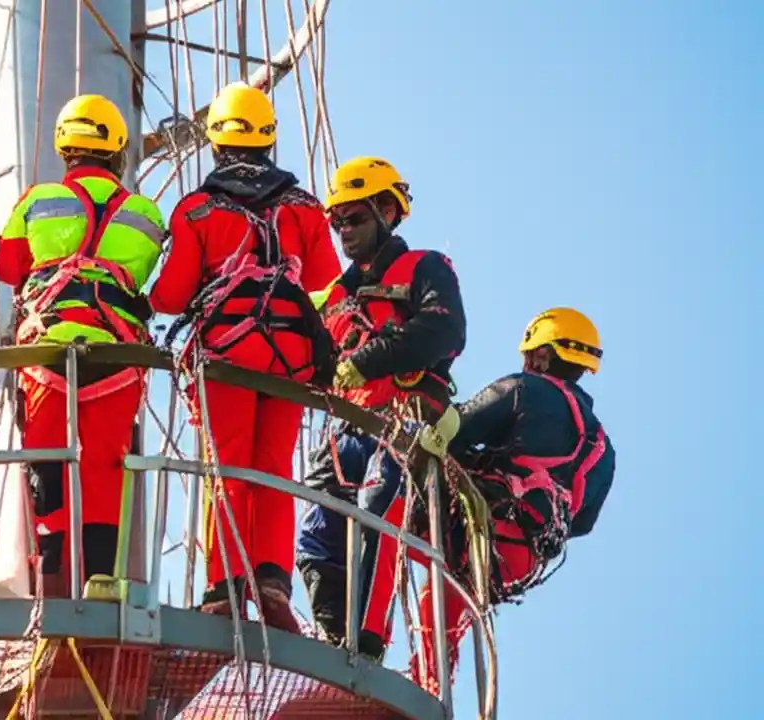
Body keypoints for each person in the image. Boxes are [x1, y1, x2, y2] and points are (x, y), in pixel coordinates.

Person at [149, 82, 341, 631]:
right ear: (269, 141)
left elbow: (173, 295)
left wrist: (148, 301)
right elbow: (327, 283)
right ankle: (273, 583)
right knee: (275, 468)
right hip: (291, 360)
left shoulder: (199, 209)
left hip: (226, 355)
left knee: (226, 465)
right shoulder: (305, 208)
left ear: (216, 143)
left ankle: (226, 585)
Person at [0, 94, 166, 596]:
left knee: (47, 457)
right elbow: (151, 278)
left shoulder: (39, 200)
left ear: (65, 150)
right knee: (106, 466)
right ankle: (99, 577)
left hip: (47, 350)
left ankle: (51, 571)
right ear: (117, 152)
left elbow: (7, 267)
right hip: (116, 355)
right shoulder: (147, 214)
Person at [294, 156, 466, 658]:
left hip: (400, 421)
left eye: (356, 218)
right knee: (316, 535)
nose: (344, 231)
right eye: (337, 221)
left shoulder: (425, 267)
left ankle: (363, 650)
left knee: (376, 518)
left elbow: (444, 330)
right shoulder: (335, 295)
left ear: (388, 210)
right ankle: (331, 641)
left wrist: (368, 361)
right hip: (345, 429)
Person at [408, 306, 616, 692]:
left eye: (529, 354)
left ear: (543, 353)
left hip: (478, 523)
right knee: (448, 595)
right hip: (521, 556)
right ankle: (431, 681)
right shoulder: (603, 449)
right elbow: (583, 523)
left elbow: (456, 427)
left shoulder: (525, 389)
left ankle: (362, 640)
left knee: (380, 519)